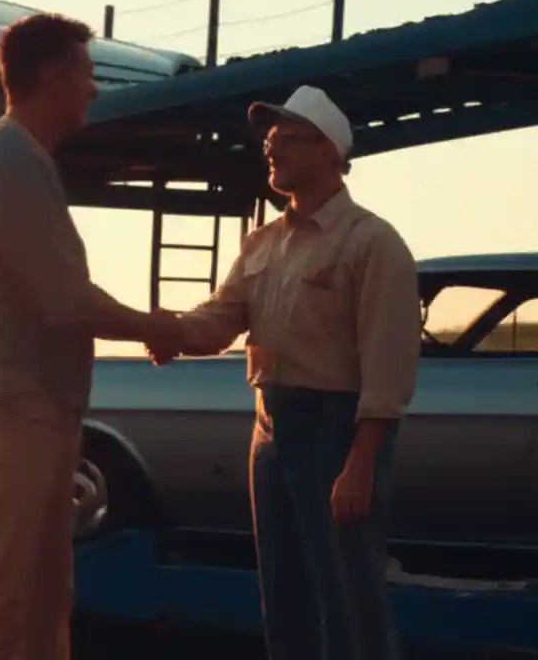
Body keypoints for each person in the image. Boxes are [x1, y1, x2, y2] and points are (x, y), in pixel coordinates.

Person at [0, 13, 181, 660]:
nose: (95, 89)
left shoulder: (19, 160)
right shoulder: (8, 160)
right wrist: (153, 326)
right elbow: (64, 301)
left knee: (41, 610)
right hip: (5, 412)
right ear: (54, 77)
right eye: (88, 73)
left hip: (26, 412)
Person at [147, 85, 421, 660]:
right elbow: (221, 319)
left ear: (329, 151)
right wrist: (170, 331)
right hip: (271, 430)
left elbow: (388, 366)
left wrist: (361, 463)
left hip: (337, 429)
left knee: (347, 593)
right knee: (284, 590)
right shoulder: (262, 244)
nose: (271, 151)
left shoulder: (372, 243)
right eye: (269, 141)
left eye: (287, 140)